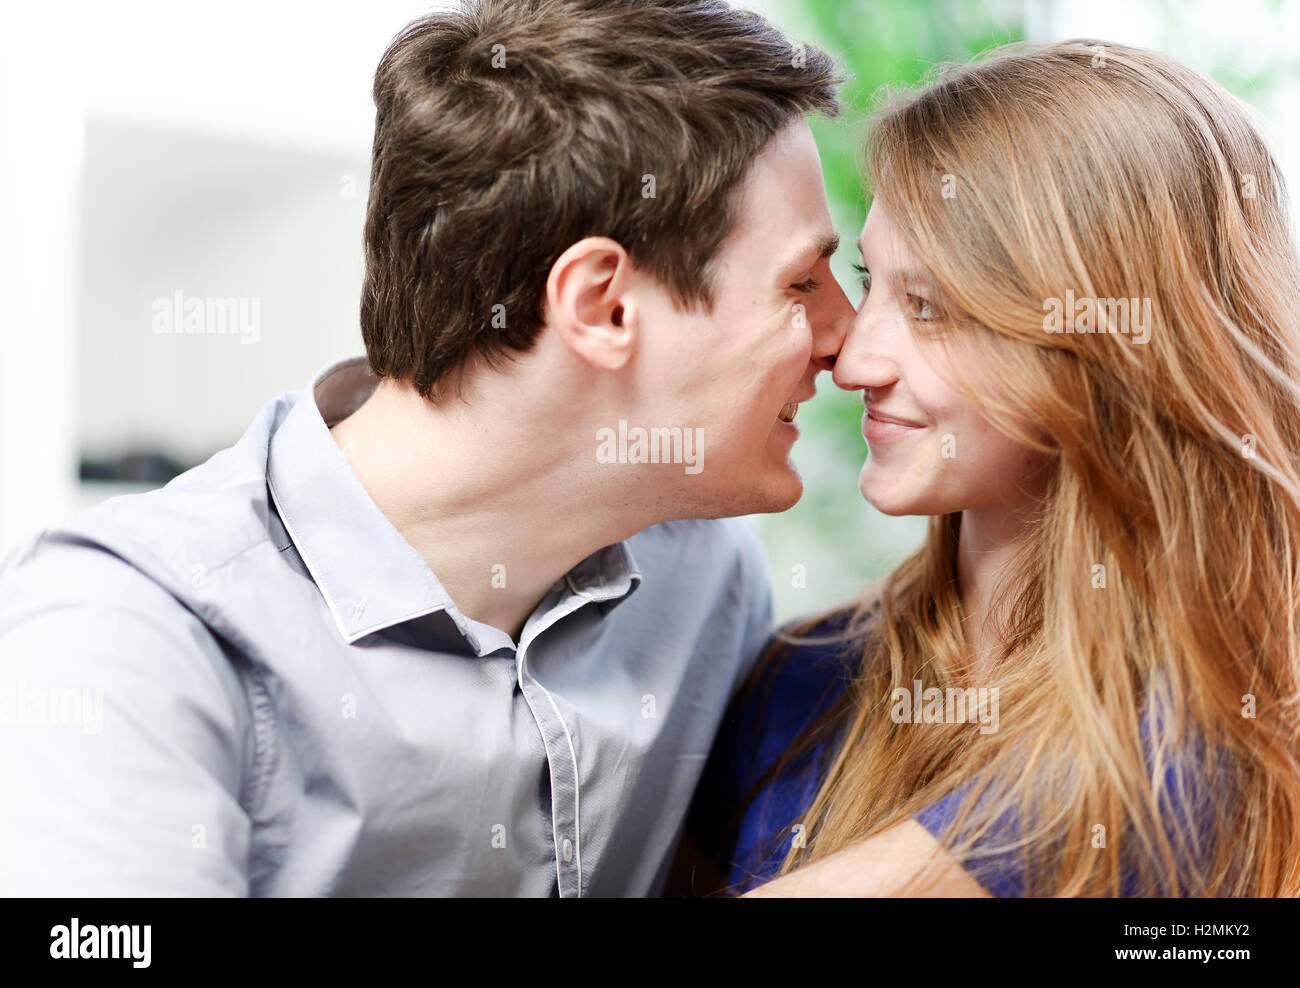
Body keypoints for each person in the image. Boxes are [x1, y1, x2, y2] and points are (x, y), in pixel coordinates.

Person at [0, 0, 856, 896]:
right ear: (603, 305)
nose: (848, 338)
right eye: (802, 282)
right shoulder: (124, 634)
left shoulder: (704, 582)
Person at [676, 39, 1300, 897]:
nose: (853, 361)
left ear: (1108, 349)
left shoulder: (1222, 729)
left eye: (928, 306)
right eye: (871, 280)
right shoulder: (802, 678)